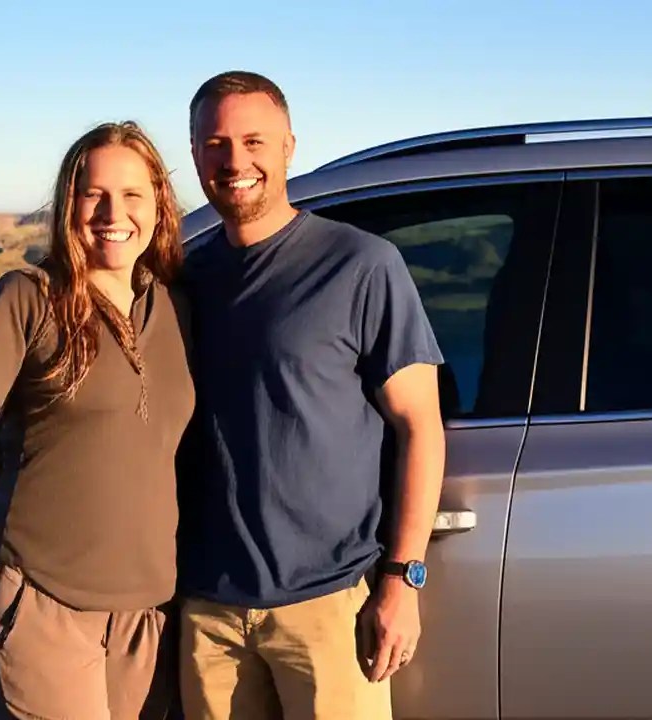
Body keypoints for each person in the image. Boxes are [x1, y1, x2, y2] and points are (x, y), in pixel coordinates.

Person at [174, 70, 448, 719]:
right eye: (215, 144)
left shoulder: (360, 265)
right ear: (194, 154)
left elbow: (420, 426)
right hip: (208, 611)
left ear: (290, 146)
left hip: (326, 607)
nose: (235, 161)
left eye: (254, 141)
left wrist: (402, 579)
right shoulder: (183, 278)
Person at [0, 121, 196, 720]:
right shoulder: (31, 296)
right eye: (92, 194)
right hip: (43, 603)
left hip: (148, 615)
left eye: (131, 195)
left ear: (158, 205)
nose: (111, 213)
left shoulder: (173, 305)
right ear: (68, 203)